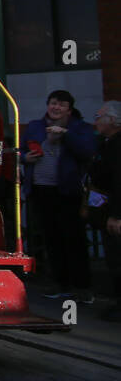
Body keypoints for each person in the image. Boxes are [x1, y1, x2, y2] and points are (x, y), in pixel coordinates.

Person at [22, 89, 95, 301]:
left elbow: (86, 152)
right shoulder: (35, 126)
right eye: (53, 103)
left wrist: (65, 135)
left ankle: (82, 286)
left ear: (69, 110)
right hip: (40, 190)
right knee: (51, 238)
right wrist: (26, 158)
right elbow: (20, 150)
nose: (56, 108)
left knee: (74, 239)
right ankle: (59, 282)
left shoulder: (79, 128)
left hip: (68, 191)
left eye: (61, 105)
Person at [88, 101, 121, 321]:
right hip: (105, 206)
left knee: (118, 258)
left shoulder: (117, 145)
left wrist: (117, 215)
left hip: (115, 210)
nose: (96, 121)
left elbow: (119, 181)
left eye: (99, 117)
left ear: (113, 120)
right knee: (113, 258)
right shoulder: (105, 143)